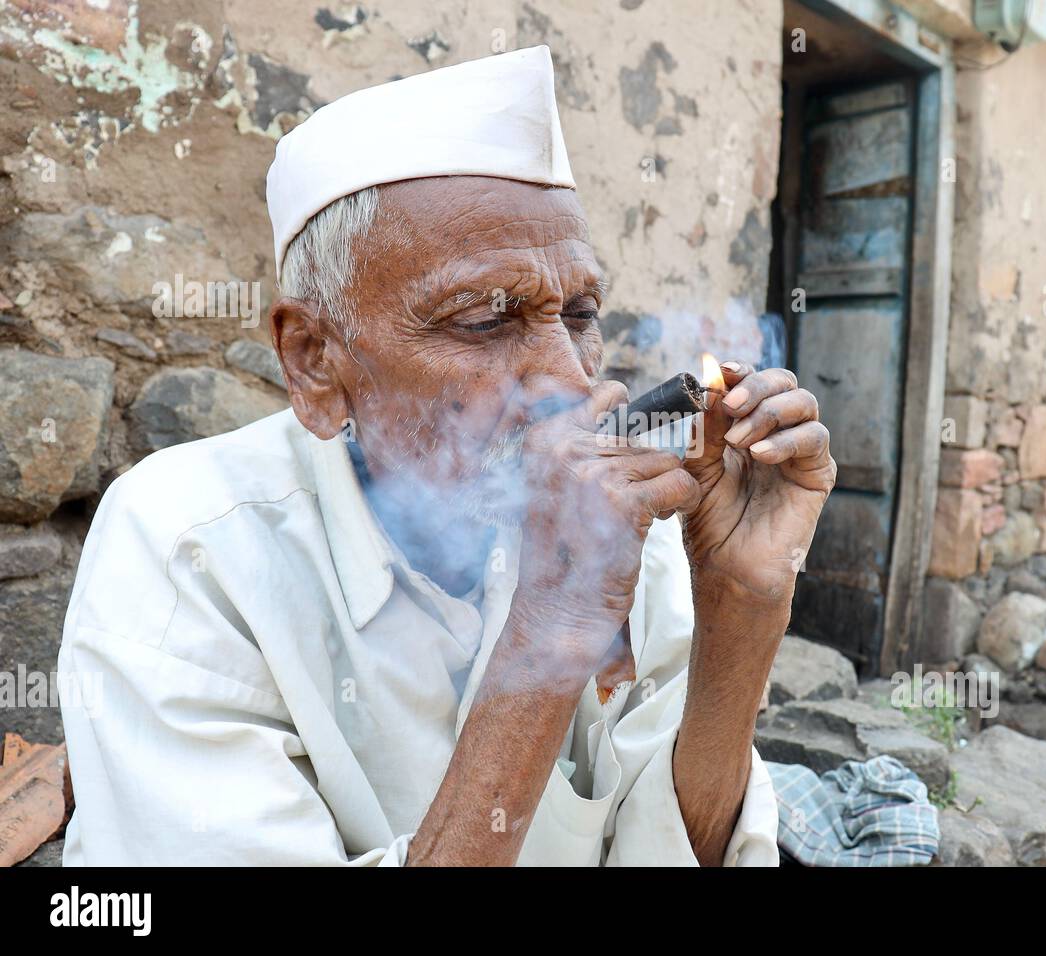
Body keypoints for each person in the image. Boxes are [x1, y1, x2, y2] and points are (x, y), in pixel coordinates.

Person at [58, 45, 835, 866]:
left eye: (578, 314)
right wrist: (551, 634)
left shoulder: (620, 533)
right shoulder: (189, 548)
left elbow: (682, 850)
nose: (570, 379)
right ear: (316, 358)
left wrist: (744, 607)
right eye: (483, 321)